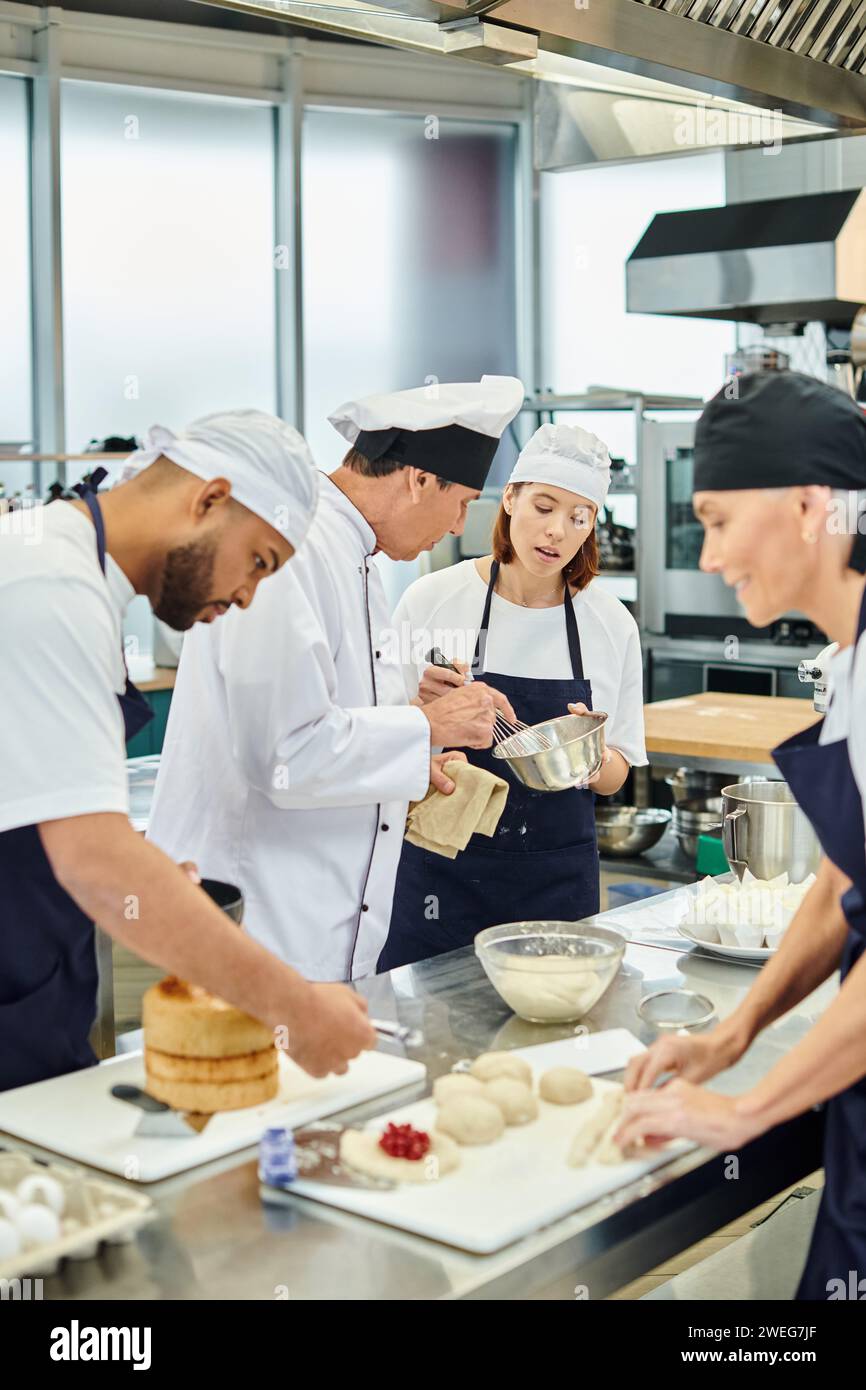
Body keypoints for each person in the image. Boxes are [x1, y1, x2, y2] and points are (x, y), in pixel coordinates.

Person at [0, 410, 376, 1091]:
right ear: (209, 499)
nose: (246, 596)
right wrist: (296, 1013)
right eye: (258, 562)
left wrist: (150, 878)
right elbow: (94, 862)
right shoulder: (48, 586)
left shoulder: (70, 574)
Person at [615, 370, 866, 1301]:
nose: (709, 555)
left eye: (718, 519)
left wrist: (747, 1109)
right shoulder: (851, 661)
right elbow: (849, 875)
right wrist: (734, 1035)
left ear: (808, 506)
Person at [146, 377, 524, 982]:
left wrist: (407, 719)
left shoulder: (356, 553)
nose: (459, 527)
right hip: (258, 913)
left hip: (308, 922)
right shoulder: (289, 547)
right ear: (420, 479)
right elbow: (282, 754)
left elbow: (327, 707)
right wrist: (423, 727)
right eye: (462, 503)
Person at [379, 422, 648, 969]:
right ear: (509, 498)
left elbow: (621, 770)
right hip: (439, 878)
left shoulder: (610, 623)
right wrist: (427, 715)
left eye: (579, 518)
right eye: (544, 507)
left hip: (554, 889)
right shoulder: (433, 600)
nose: (556, 532)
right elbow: (373, 741)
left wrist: (587, 755)